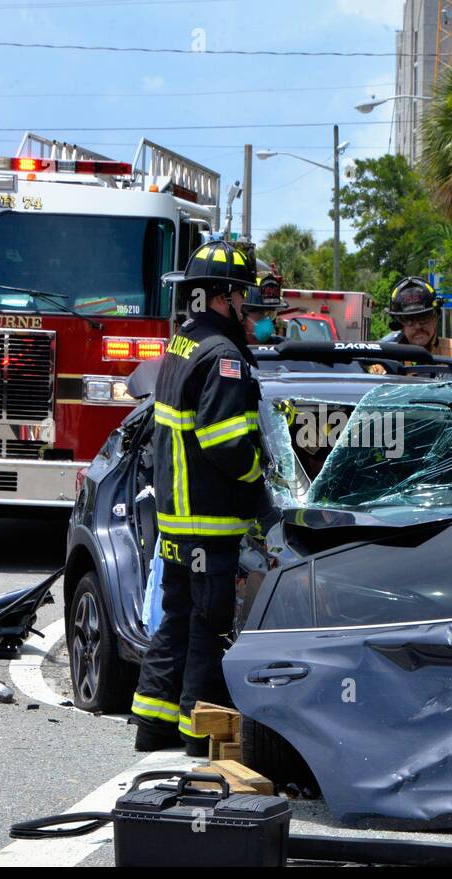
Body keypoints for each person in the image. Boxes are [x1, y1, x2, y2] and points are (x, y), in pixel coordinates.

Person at [131, 239, 265, 757]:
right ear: (224, 295)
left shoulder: (184, 343)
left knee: (177, 620)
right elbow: (224, 442)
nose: (249, 307)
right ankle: (196, 735)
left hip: (176, 519)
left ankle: (153, 724)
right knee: (209, 626)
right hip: (209, 519)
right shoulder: (224, 357)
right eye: (244, 296)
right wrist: (259, 475)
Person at [381, 276, 441, 353]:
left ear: (435, 318)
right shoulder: (387, 355)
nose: (418, 326)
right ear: (400, 325)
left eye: (423, 318)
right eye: (409, 320)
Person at [241, 276, 287, 345]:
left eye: (271, 315)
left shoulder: (278, 345)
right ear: (242, 316)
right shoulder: (231, 348)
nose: (267, 321)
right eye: (262, 313)